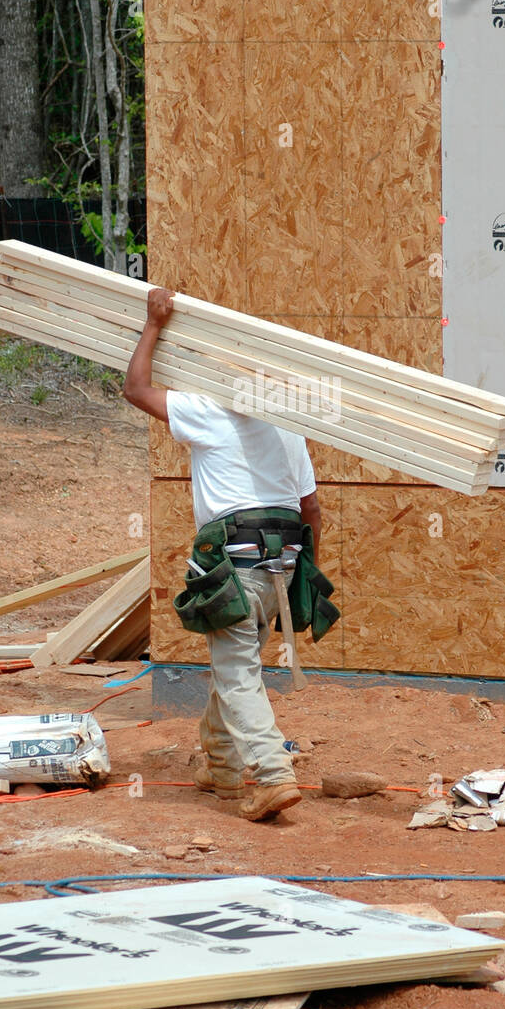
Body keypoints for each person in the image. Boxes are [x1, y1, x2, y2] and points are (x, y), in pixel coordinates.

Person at [123, 287, 325, 822]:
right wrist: (305, 572)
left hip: (235, 566)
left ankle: (273, 774)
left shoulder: (209, 410)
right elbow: (312, 510)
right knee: (237, 663)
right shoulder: (290, 427)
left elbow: (136, 388)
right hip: (280, 567)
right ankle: (222, 766)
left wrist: (153, 323)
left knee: (236, 672)